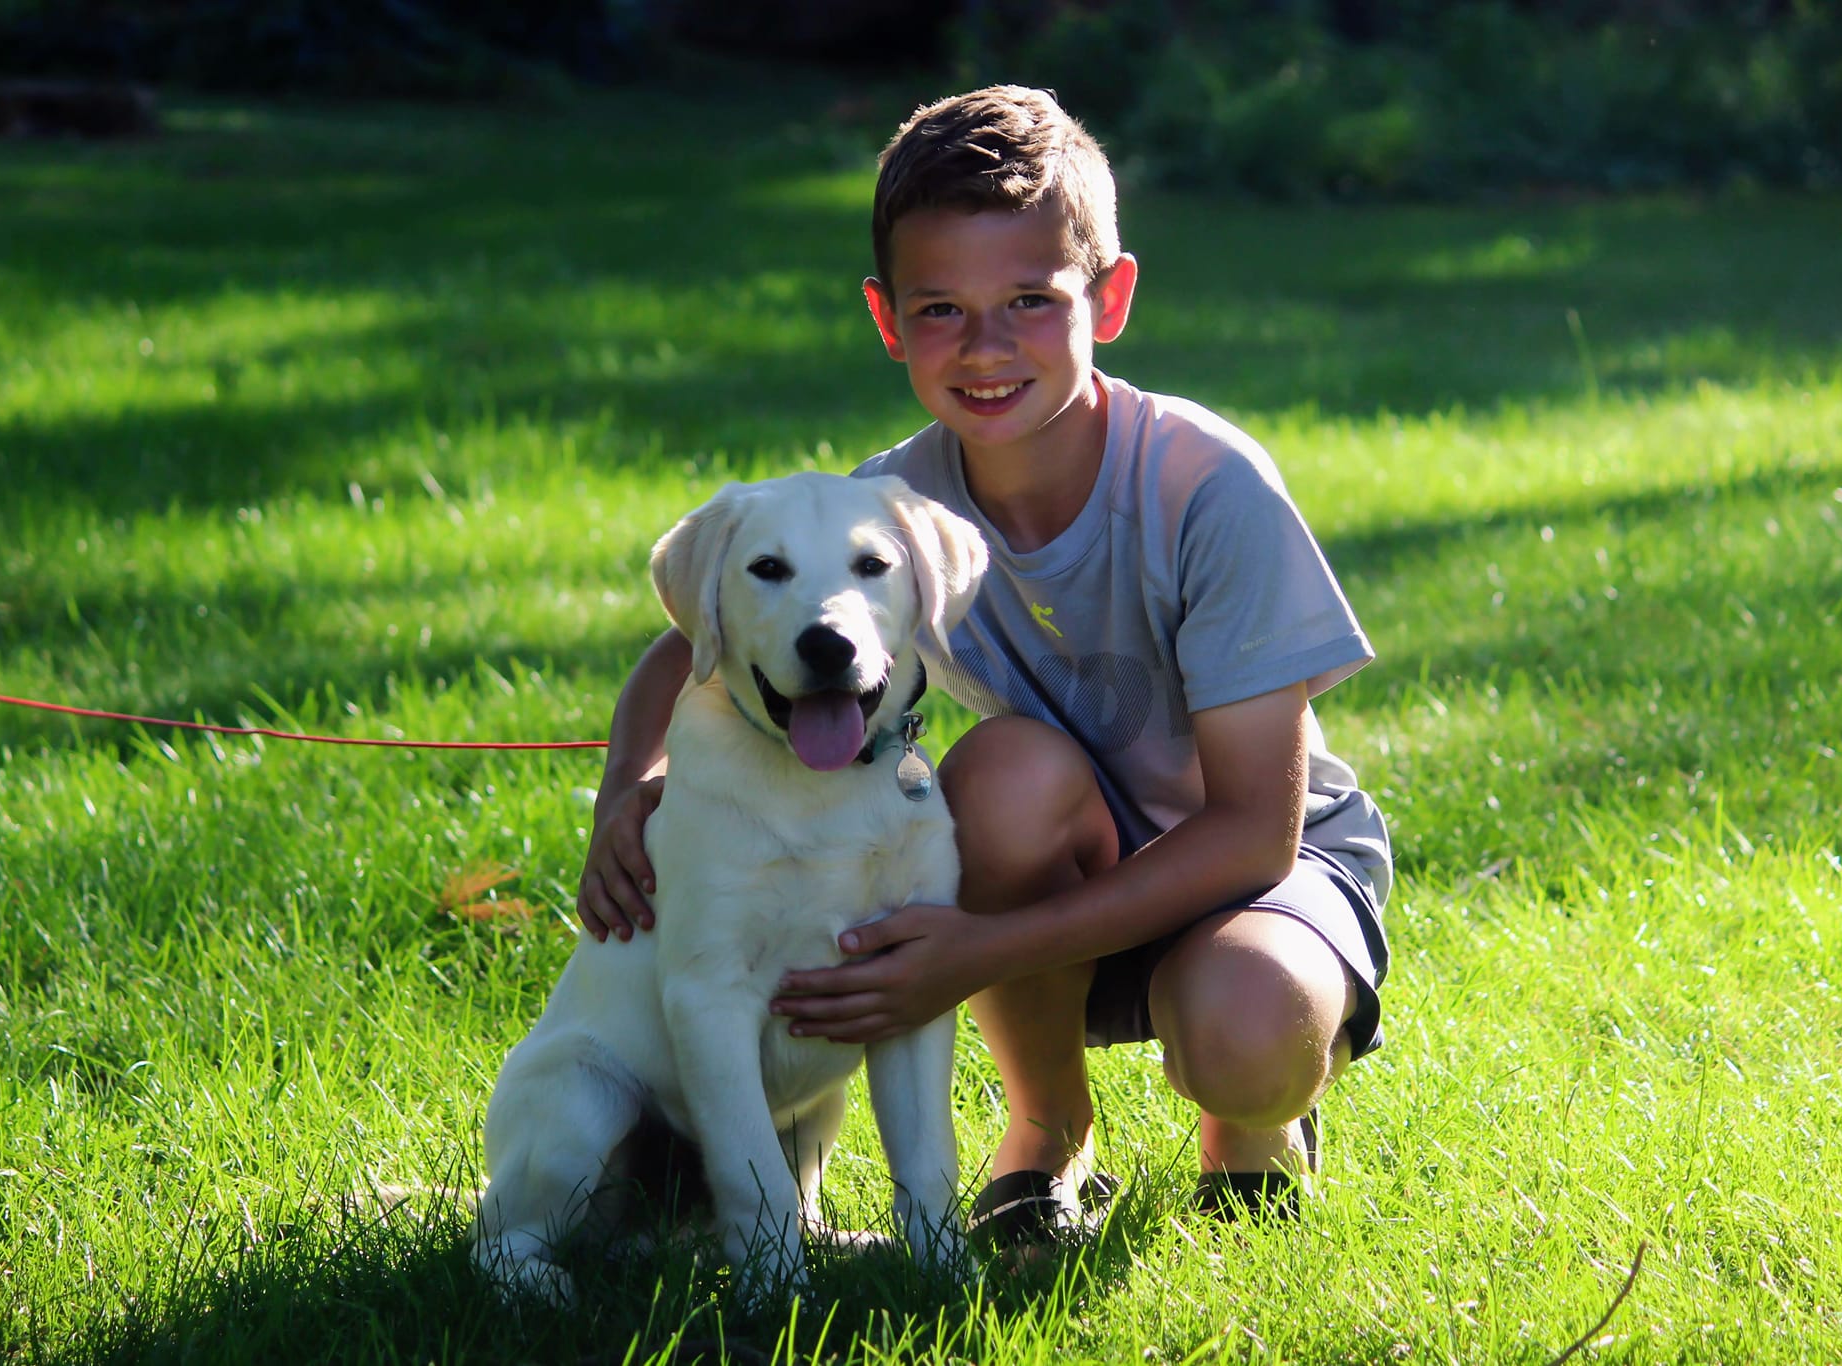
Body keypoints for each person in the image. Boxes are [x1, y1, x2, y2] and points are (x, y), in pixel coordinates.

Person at [576, 85, 1390, 1242]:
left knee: (1246, 1036)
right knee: (999, 777)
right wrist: (628, 787)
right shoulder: (888, 513)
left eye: (1028, 300)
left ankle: (1253, 1124)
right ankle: (1047, 1134)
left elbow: (1255, 826)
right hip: (1063, 848)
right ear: (886, 320)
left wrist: (973, 953)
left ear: (1107, 299)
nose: (986, 346)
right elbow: (692, 639)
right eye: (941, 310)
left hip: (1256, 866)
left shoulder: (1203, 485)